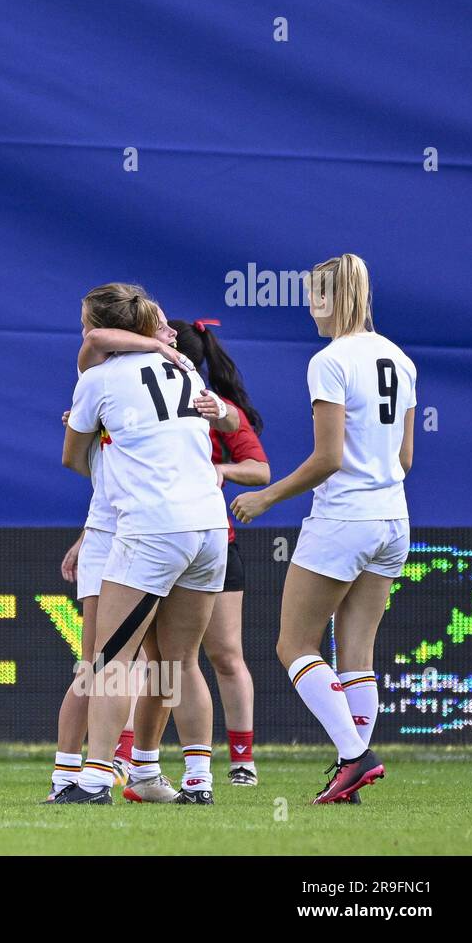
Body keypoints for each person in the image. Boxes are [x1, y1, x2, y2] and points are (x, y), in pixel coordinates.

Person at [231, 254, 415, 804]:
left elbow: (328, 457)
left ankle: (355, 757)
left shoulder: (330, 360)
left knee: (294, 645)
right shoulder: (399, 359)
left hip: (344, 520)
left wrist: (266, 496)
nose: (310, 306)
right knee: (357, 656)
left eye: (316, 295)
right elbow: (404, 458)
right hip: (393, 519)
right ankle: (348, 770)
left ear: (337, 298)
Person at [56, 283, 229, 805]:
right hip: (210, 528)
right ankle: (196, 781)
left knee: (111, 662)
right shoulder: (185, 369)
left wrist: (97, 443)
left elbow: (72, 458)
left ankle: (91, 781)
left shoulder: (101, 377)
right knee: (179, 662)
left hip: (153, 526)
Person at [169, 318, 270, 786]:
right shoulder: (135, 398)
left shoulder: (216, 407)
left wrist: (223, 471)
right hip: (157, 538)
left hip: (214, 543)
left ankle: (243, 762)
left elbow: (260, 470)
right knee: (150, 659)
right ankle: (130, 759)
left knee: (225, 655)